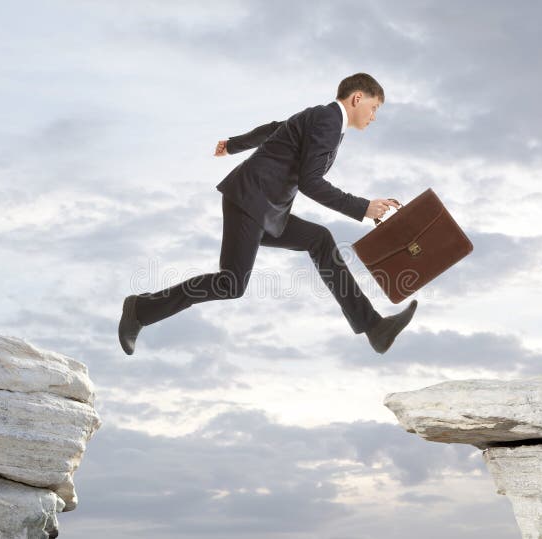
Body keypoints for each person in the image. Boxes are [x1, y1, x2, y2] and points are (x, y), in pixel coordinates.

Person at [119, 73, 417, 355]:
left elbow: (275, 128)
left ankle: (373, 328)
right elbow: (310, 182)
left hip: (266, 207)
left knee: (319, 239)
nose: (374, 116)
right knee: (231, 284)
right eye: (374, 107)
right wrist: (363, 207)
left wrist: (233, 145)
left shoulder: (322, 118)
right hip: (250, 199)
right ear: (356, 98)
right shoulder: (327, 120)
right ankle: (140, 310)